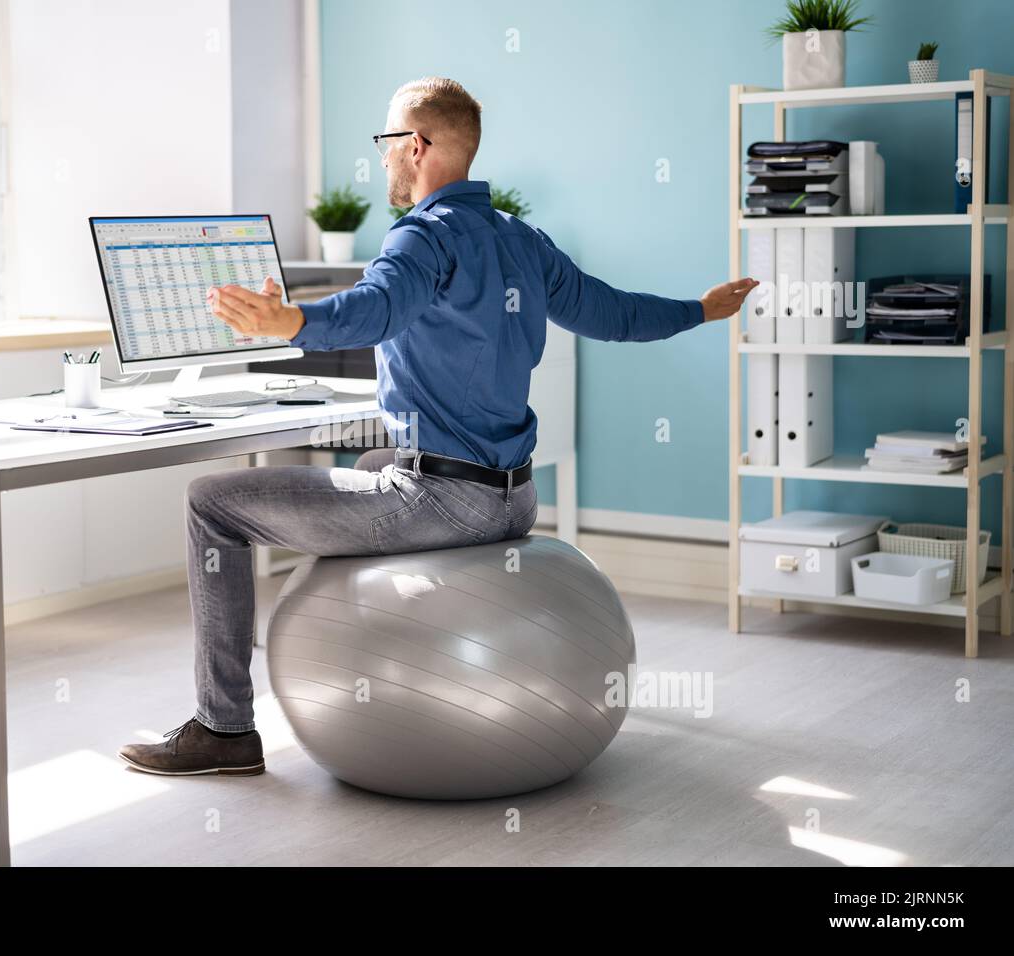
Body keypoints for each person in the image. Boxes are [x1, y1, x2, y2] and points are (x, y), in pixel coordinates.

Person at [119, 76, 757, 777]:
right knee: (369, 465)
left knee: (211, 503)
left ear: (416, 145)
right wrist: (700, 310)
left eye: (388, 143)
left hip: (440, 502)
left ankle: (224, 729)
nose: (385, 159)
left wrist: (291, 322)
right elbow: (613, 313)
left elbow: (379, 307)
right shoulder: (520, 238)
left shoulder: (422, 236)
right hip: (512, 499)